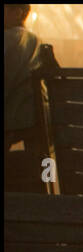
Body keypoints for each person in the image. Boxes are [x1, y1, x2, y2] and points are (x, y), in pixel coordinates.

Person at [4, 3, 42, 149]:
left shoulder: (8, 39)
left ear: (17, 13)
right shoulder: (37, 40)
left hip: (11, 118)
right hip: (33, 117)